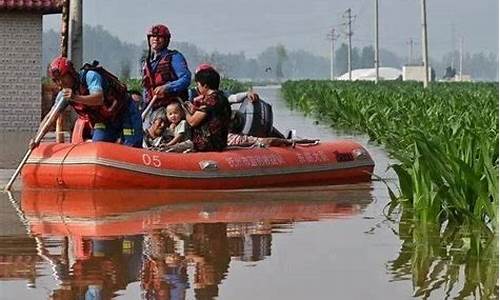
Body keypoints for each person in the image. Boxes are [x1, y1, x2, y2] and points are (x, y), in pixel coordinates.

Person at [46, 57, 143, 147]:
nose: (60, 83)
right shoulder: (63, 95)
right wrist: (37, 138)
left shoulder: (90, 76)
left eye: (62, 78)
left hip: (125, 112)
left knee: (131, 145)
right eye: (56, 81)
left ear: (71, 73)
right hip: (104, 120)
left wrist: (75, 97)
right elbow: (50, 117)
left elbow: (98, 98)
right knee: (97, 145)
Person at [142, 24, 191, 127]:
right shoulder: (146, 62)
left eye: (159, 37)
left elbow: (186, 78)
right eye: (153, 36)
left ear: (166, 40)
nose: (155, 39)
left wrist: (166, 87)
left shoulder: (174, 57)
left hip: (171, 107)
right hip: (152, 107)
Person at [180, 67, 231, 152]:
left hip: (206, 144)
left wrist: (185, 110)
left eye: (198, 85)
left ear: (205, 85)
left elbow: (192, 122)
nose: (197, 87)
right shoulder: (222, 98)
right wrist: (195, 109)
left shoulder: (210, 100)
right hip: (220, 142)